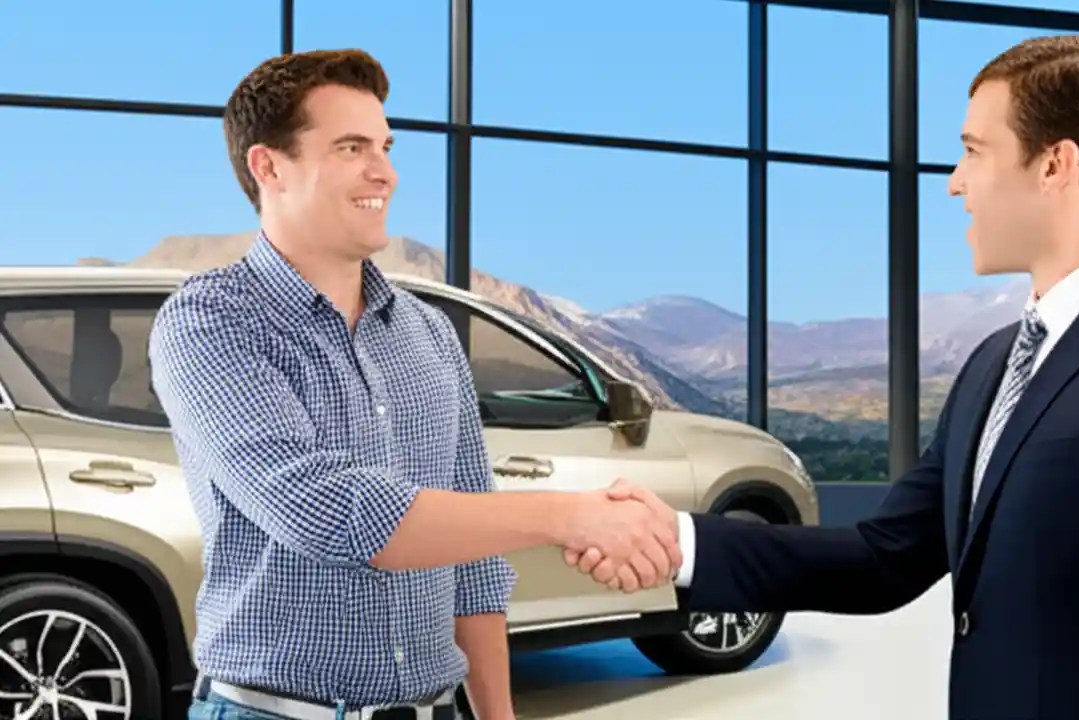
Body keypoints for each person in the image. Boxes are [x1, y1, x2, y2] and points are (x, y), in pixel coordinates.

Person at [570, 35, 1079, 719]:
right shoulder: (994, 362)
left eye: (974, 151)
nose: (954, 183)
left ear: (1055, 164)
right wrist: (680, 542)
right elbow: (885, 557)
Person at [148, 49, 681, 720]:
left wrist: (497, 715)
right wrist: (566, 514)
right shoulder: (211, 322)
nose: (385, 173)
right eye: (351, 147)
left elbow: (475, 567)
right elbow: (323, 510)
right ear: (269, 167)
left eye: (385, 146)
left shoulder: (428, 334)